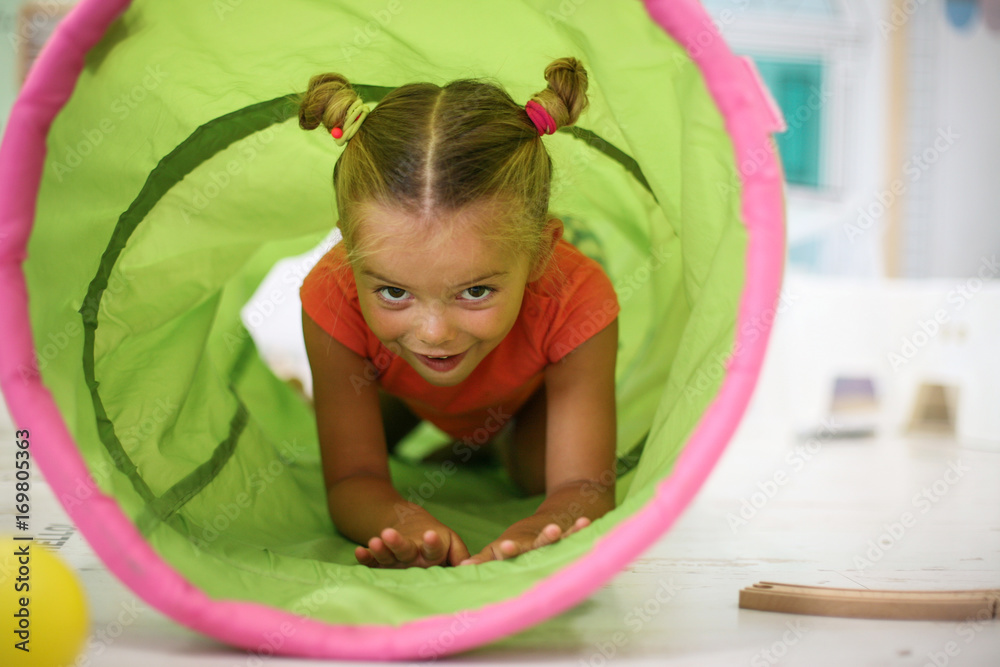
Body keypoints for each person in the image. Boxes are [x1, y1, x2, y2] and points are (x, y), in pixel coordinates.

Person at [298, 57, 619, 568]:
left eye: (474, 291)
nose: (434, 333)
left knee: (535, 474)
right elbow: (352, 479)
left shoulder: (578, 299)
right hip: (395, 384)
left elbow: (584, 486)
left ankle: (491, 444)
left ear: (540, 253)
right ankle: (460, 435)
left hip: (524, 396)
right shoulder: (331, 297)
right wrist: (407, 526)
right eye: (394, 292)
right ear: (349, 252)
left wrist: (538, 529)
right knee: (349, 427)